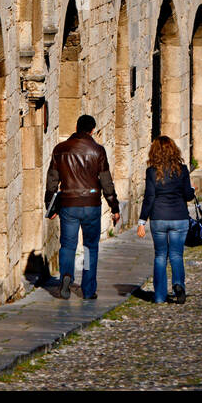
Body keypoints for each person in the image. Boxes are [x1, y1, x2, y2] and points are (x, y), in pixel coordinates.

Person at [45, 113, 120, 300]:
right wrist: (114, 206)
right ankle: (87, 289)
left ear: (77, 128)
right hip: (91, 204)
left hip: (69, 204)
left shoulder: (60, 150)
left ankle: (67, 276)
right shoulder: (98, 151)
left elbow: (52, 181)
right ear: (93, 130)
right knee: (89, 247)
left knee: (68, 245)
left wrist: (51, 207)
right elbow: (106, 181)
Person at [136, 135, 195, 304]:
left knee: (160, 256)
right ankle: (178, 284)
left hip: (159, 218)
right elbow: (188, 195)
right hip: (179, 217)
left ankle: (160, 295)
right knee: (177, 254)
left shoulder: (151, 172)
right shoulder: (182, 170)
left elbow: (149, 197)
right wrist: (192, 189)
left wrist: (142, 222)